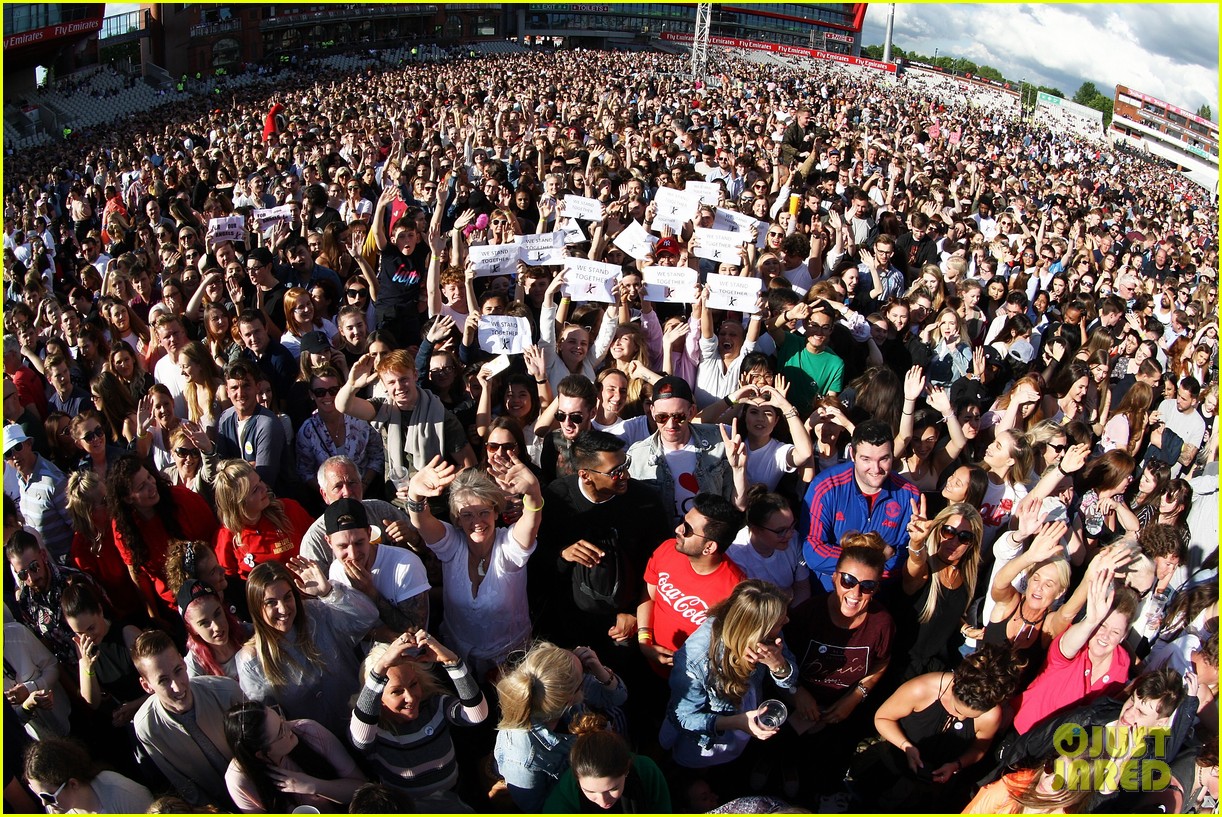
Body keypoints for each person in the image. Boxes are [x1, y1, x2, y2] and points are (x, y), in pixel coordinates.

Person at [533, 429, 672, 650]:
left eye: (625, 464)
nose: (626, 475)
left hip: (621, 625)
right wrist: (563, 554)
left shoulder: (645, 502)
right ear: (585, 475)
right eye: (615, 472)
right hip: (569, 622)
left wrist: (635, 612)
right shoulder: (558, 497)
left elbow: (660, 565)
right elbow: (537, 557)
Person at [404, 455, 542, 674]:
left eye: (484, 512)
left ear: (496, 512)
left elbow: (531, 522)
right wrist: (414, 494)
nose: (477, 522)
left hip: (510, 662)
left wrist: (533, 492)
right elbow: (421, 521)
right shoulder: (452, 545)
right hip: (458, 658)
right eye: (467, 515)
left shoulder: (509, 546)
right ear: (457, 519)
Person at [849, 643, 1026, 811]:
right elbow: (882, 718)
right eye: (958, 709)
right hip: (888, 765)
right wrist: (905, 746)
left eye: (971, 716)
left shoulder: (992, 715)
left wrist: (957, 764)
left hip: (924, 790)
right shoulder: (922, 689)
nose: (961, 718)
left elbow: (979, 748)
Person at [661, 579, 798, 768]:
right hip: (706, 743)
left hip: (742, 727)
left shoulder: (769, 635)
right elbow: (683, 718)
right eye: (780, 622)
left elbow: (790, 681)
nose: (787, 621)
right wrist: (737, 722)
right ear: (755, 630)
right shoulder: (697, 659)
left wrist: (778, 665)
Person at [236, 557, 378, 736]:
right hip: (319, 744)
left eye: (287, 597)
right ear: (257, 607)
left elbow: (368, 616)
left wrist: (328, 592)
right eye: (271, 602)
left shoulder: (316, 614)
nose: (283, 609)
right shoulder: (252, 660)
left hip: (364, 724)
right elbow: (267, 723)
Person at [349, 630, 488, 808]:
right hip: (407, 808)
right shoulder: (376, 729)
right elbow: (360, 740)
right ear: (377, 698)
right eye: (397, 691)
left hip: (453, 795)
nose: (410, 697)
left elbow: (477, 715)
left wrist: (452, 663)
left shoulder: (434, 706)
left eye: (413, 684)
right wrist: (381, 667)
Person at [494, 641, 628, 811]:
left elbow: (618, 697)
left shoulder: (557, 692)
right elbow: (536, 809)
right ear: (570, 699)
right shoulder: (522, 759)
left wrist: (598, 669)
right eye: (583, 674)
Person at [1011, 567, 1139, 734]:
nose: (1106, 636)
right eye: (1102, 625)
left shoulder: (1121, 664)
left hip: (1061, 744)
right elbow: (1067, 646)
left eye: (1115, 632)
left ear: (1124, 636)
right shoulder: (1076, 642)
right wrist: (1091, 621)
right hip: (1022, 732)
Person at [800, 419, 921, 590]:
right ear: (852, 454)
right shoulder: (826, 486)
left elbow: (904, 559)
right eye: (866, 459)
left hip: (881, 595)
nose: (876, 468)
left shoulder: (909, 495)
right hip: (829, 592)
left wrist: (865, 575)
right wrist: (874, 560)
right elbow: (813, 551)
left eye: (884, 459)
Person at [337, 349, 476, 493]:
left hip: (432, 500)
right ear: (384, 385)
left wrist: (439, 483)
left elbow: (469, 465)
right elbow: (343, 406)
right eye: (391, 382)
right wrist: (352, 385)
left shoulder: (441, 416)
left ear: (415, 375)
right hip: (396, 499)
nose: (399, 387)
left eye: (403, 379)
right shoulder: (383, 408)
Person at [638, 493, 748, 675]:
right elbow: (649, 597)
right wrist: (644, 641)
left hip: (694, 682)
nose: (678, 529)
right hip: (649, 665)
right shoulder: (667, 549)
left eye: (687, 529)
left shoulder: (736, 591)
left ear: (709, 547)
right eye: (683, 521)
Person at [132, 629, 243, 809]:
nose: (177, 686)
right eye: (163, 680)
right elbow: (183, 784)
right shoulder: (147, 727)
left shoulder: (226, 692)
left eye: (178, 671)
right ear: (147, 685)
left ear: (183, 662)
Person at [626, 375, 749, 523]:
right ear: (652, 411)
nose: (671, 424)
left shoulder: (718, 442)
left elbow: (738, 506)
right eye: (662, 417)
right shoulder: (637, 456)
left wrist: (738, 470)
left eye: (679, 416)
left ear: (691, 411)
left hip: (709, 534)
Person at [223, 700, 366, 813]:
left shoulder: (308, 731)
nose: (289, 727)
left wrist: (314, 785)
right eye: (281, 731)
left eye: (280, 717)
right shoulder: (240, 781)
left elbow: (362, 788)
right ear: (261, 754)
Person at [895, 501, 984, 679]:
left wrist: (965, 628)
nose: (954, 541)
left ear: (972, 543)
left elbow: (946, 609)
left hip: (936, 670)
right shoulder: (925, 570)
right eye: (948, 531)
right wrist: (916, 543)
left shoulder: (967, 577)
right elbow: (914, 565)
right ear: (938, 531)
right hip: (901, 667)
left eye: (964, 537)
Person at [324, 497, 430, 642]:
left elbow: (416, 632)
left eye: (359, 543)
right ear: (329, 542)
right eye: (343, 546)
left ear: (369, 533)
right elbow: (344, 628)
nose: (353, 554)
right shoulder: (336, 569)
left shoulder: (405, 564)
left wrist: (371, 592)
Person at [297, 455, 417, 568]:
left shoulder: (382, 510)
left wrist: (412, 538)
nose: (347, 492)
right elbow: (315, 582)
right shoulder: (315, 539)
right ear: (324, 495)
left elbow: (425, 548)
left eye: (352, 483)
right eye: (338, 486)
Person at [543, 712, 672, 812]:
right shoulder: (562, 802)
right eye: (590, 792)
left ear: (627, 769)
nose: (603, 801)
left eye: (613, 789)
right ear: (577, 777)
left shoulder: (646, 771)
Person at [213, 459, 314, 580]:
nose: (264, 488)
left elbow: (319, 542)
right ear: (238, 503)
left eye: (260, 480)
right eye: (255, 490)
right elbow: (228, 583)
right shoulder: (226, 536)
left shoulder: (288, 509)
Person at [727, 486, 812, 606]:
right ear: (756, 530)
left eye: (792, 526)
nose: (790, 534)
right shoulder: (735, 556)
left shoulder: (794, 539)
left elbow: (802, 587)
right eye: (781, 531)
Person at [23, 737, 154, 814]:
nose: (44, 803)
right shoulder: (57, 809)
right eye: (37, 794)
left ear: (73, 784)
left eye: (48, 796)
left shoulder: (124, 794)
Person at [5, 424, 73, 562]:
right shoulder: (20, 479)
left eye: (18, 447)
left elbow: (76, 525)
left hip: (68, 562)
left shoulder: (53, 481)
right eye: (8, 454)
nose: (15, 456)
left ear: (29, 444)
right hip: (45, 564)